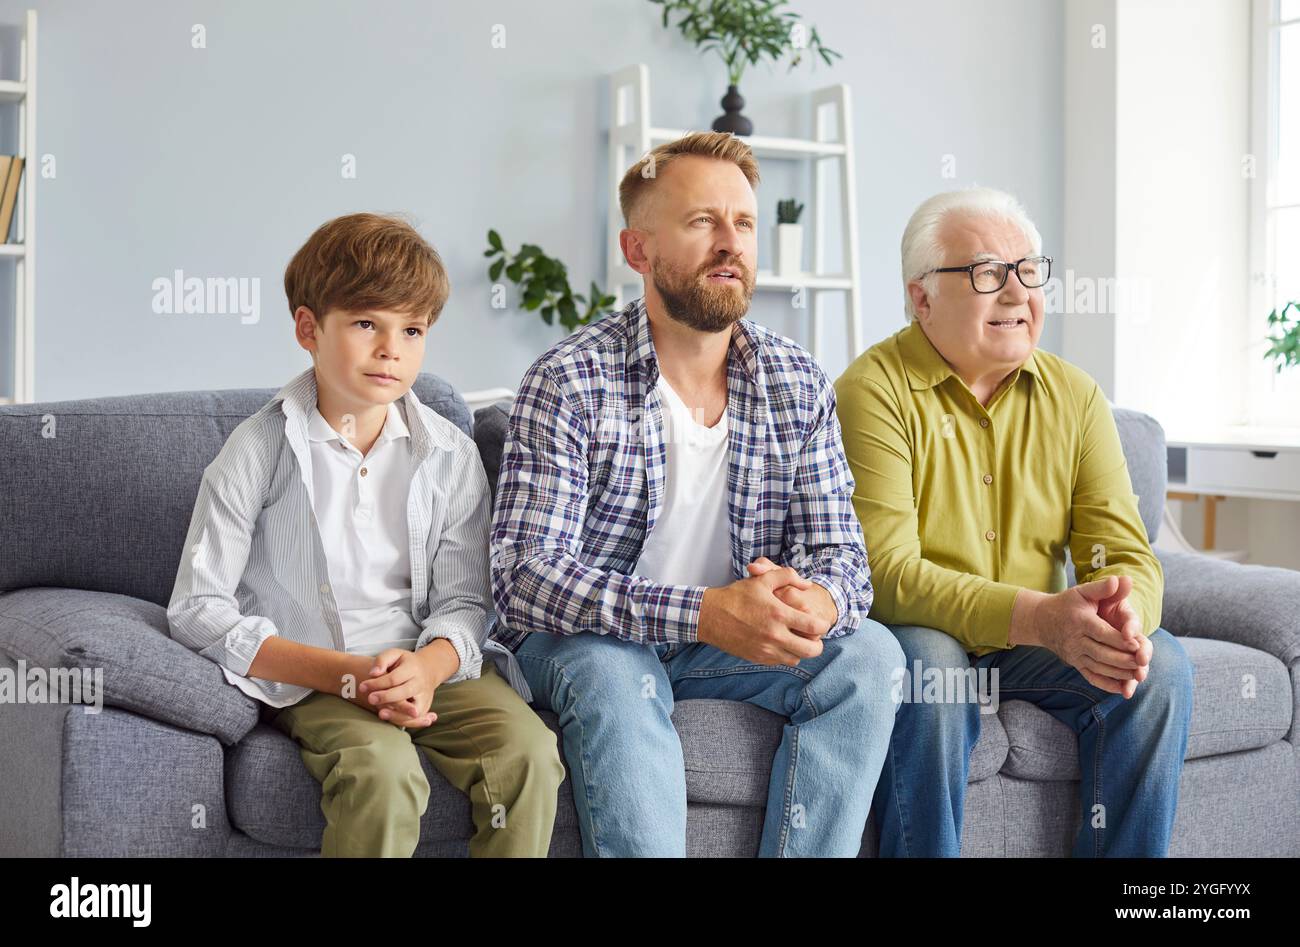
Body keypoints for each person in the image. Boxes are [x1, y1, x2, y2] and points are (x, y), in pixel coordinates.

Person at [489, 132, 903, 857]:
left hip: (729, 636)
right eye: (701, 221)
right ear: (637, 250)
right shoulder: (569, 380)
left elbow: (843, 553)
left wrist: (820, 600)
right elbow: (526, 576)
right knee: (615, 671)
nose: (730, 243)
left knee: (870, 655)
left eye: (743, 223)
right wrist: (705, 612)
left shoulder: (796, 381)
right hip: (594, 638)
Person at [168, 212, 564, 857]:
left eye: (412, 329)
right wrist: (346, 673)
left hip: (429, 665)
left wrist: (429, 668)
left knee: (530, 756)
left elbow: (468, 599)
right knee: (381, 773)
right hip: (319, 670)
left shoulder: (450, 454)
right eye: (365, 324)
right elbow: (196, 608)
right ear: (308, 328)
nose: (391, 349)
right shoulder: (257, 449)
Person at [834, 187, 1194, 857]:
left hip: (1034, 649)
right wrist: (1039, 616)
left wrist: (1122, 620)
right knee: (929, 663)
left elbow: (1122, 549)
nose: (1016, 293)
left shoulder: (1075, 395)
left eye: (1029, 271)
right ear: (921, 298)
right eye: (986, 273)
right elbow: (882, 573)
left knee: (1162, 666)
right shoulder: (872, 390)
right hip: (925, 634)